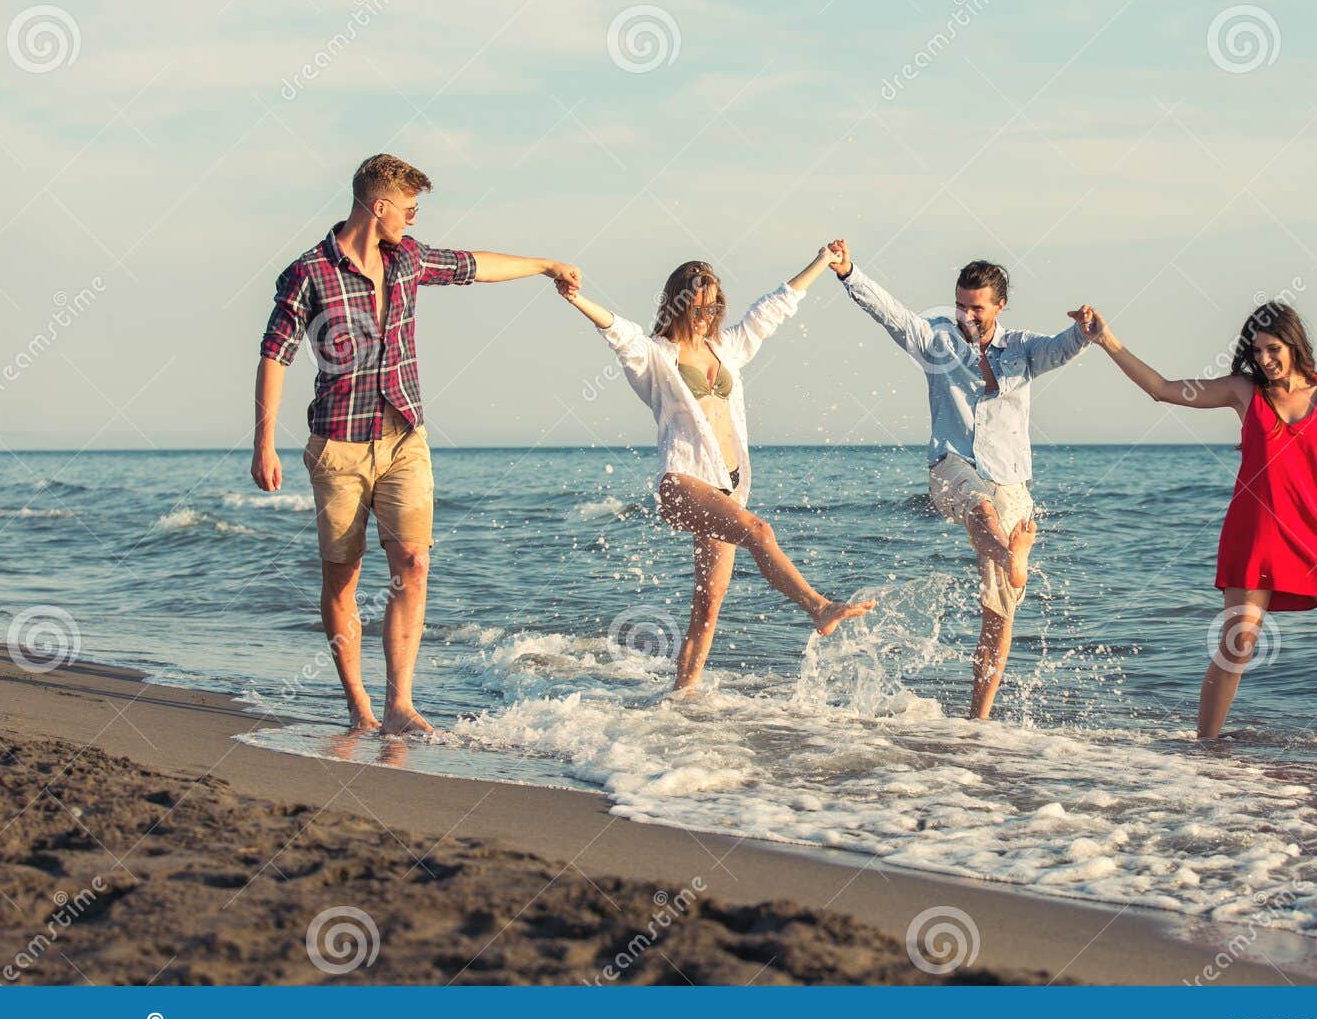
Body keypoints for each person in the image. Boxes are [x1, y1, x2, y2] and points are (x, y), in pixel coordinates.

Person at [251, 153, 580, 735]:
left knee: (414, 563)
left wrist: (544, 265)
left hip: (404, 438)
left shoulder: (407, 259)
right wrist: (264, 443)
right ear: (378, 208)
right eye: (406, 209)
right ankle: (359, 708)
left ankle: (400, 705)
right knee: (342, 578)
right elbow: (274, 353)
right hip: (339, 447)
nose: (412, 219)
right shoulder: (309, 273)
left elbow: (474, 265)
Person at [557, 246, 875, 688]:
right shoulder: (655, 357)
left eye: (714, 306)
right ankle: (818, 606)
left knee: (708, 604)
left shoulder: (726, 347)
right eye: (699, 306)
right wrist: (575, 298)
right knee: (759, 532)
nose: (707, 314)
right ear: (679, 305)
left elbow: (774, 307)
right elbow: (618, 331)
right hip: (682, 482)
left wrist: (823, 261)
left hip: (726, 488)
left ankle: (681, 698)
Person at [1080, 301, 1317, 744]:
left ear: (1295, 343)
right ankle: (1205, 747)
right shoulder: (1244, 391)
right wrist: (1107, 341)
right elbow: (1163, 389)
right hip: (1257, 535)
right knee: (1236, 647)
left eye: (1273, 349)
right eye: (1256, 351)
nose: (1264, 360)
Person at [828, 240, 1091, 719]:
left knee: (1000, 612)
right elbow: (891, 315)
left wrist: (1085, 331)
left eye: (977, 308)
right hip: (951, 464)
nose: (968, 315)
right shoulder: (937, 340)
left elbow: (1060, 350)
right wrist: (849, 273)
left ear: (1000, 306)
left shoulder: (1025, 348)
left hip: (1010, 477)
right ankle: (1013, 555)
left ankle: (979, 718)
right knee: (979, 510)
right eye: (961, 306)